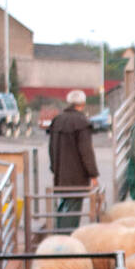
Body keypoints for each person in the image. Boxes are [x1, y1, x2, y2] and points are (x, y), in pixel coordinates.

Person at [47, 89, 99, 231]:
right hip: (77, 176)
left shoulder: (57, 120)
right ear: (82, 103)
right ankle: (66, 242)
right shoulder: (82, 122)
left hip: (60, 173)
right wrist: (93, 174)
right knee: (73, 210)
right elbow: (86, 151)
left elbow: (51, 148)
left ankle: (59, 236)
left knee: (64, 206)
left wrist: (54, 168)